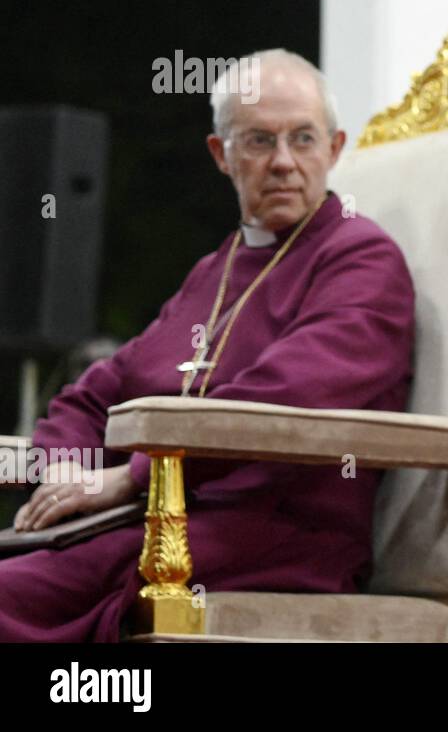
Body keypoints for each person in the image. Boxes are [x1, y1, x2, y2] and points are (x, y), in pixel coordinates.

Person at [0, 49, 415, 641]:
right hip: (151, 520)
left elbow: (288, 399)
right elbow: (101, 392)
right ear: (222, 155)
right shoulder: (215, 270)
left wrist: (129, 478)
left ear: (335, 148)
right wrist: (65, 470)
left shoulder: (360, 258)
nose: (283, 163)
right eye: (258, 141)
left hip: (273, 532)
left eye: (303, 139)